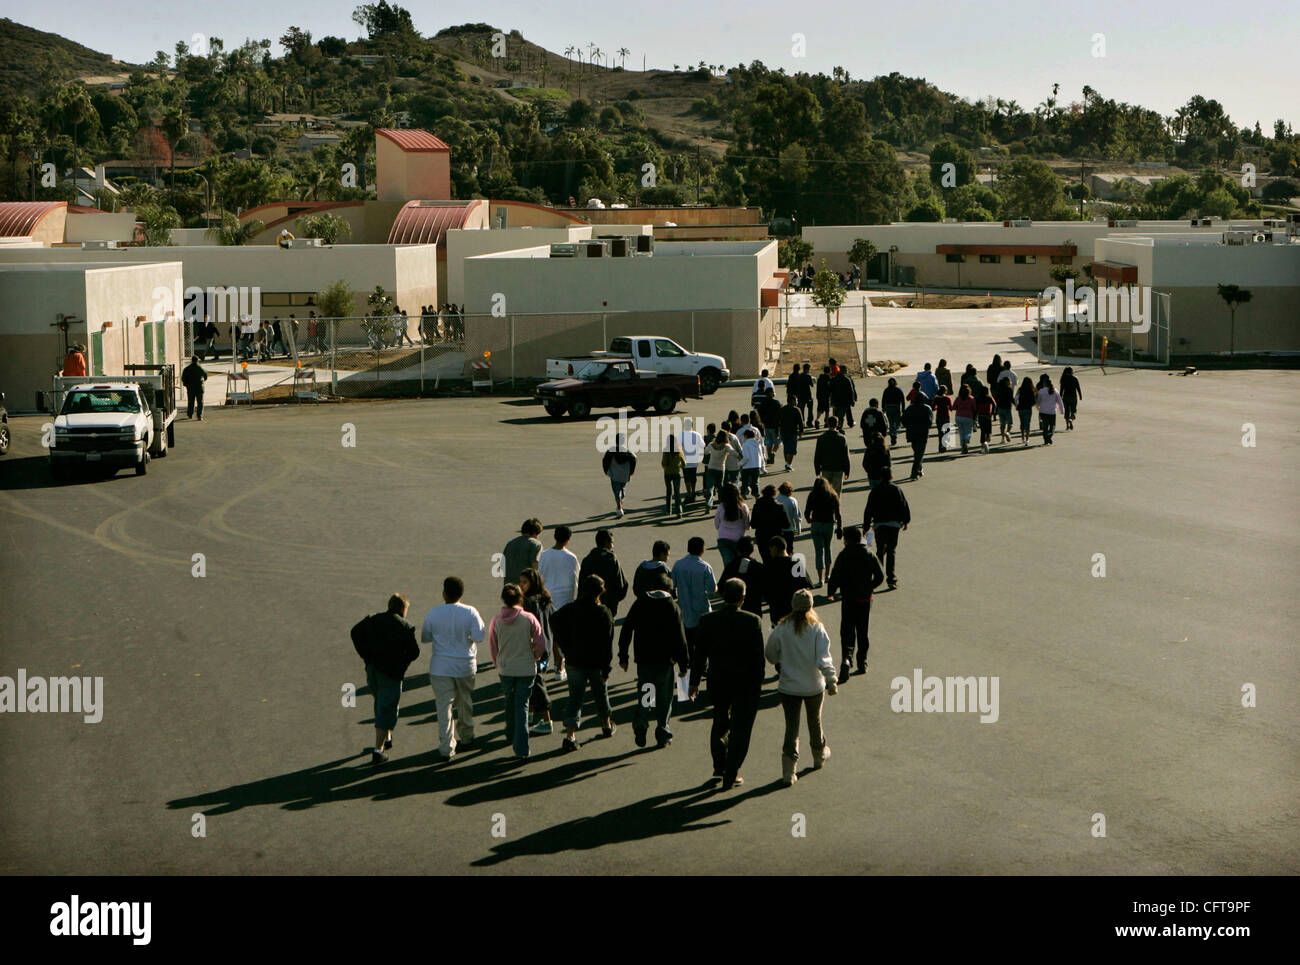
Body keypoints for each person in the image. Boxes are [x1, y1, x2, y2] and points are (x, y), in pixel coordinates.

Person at [691, 578, 765, 789]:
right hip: (745, 683)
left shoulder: (708, 620)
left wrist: (694, 682)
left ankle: (719, 765)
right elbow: (758, 658)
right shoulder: (752, 621)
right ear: (743, 598)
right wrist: (758, 683)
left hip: (718, 680)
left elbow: (699, 655)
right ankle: (732, 772)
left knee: (720, 721)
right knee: (741, 728)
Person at [765, 589, 836, 786]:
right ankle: (819, 756)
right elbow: (824, 658)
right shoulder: (817, 628)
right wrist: (831, 679)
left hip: (789, 687)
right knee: (815, 721)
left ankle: (789, 771)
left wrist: (780, 661)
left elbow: (770, 654)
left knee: (792, 727)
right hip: (813, 686)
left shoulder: (781, 628)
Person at [420, 577, 486, 761]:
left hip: (440, 666)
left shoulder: (434, 613)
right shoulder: (471, 612)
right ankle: (466, 734)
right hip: (465, 664)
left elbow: (425, 637)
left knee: (443, 706)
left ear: (444, 593)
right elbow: (479, 636)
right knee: (465, 701)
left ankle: (446, 746)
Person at [351, 593, 420, 765]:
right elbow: (414, 652)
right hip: (391, 673)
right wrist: (402, 664)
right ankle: (378, 749)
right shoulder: (405, 627)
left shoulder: (373, 620)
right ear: (403, 609)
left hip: (373, 670)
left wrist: (365, 656)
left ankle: (387, 736)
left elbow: (355, 632)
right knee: (388, 707)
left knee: (379, 701)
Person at [618, 584, 690, 748]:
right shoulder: (671, 606)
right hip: (665, 661)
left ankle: (641, 724)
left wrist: (624, 655)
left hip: (644, 660)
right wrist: (684, 664)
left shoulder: (640, 603)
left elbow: (627, 629)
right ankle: (663, 731)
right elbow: (680, 639)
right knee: (664, 699)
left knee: (646, 693)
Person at [554, 575, 616, 751]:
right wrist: (607, 668)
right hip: (596, 663)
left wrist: (564, 645)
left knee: (575, 698)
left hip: (574, 662)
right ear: (599, 593)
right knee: (601, 695)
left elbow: (555, 621)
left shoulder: (571, 609)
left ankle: (570, 735)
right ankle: (606, 725)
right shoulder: (604, 612)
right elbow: (607, 644)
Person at [488, 584, 546, 759]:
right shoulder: (529, 618)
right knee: (522, 706)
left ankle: (510, 732)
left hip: (506, 668)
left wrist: (496, 661)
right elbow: (540, 642)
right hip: (526, 667)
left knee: (509, 701)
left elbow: (493, 645)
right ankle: (521, 747)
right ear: (520, 598)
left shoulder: (496, 620)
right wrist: (535, 656)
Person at [826, 526, 885, 682]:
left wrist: (831, 591)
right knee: (862, 631)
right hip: (865, 599)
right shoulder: (869, 554)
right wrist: (870, 587)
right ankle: (862, 662)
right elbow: (880, 576)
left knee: (847, 630)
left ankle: (847, 658)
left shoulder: (844, 555)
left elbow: (835, 576)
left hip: (848, 598)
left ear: (848, 539)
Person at [538, 525, 579, 680]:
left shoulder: (545, 555)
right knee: (561, 637)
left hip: (547, 601)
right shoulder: (571, 557)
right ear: (568, 540)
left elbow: (540, 576)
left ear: (555, 537)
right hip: (565, 602)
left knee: (547, 634)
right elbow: (575, 580)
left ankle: (544, 665)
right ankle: (559, 667)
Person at [518, 568, 556, 735]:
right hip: (546, 647)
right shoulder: (546, 600)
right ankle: (530, 715)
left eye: (524, 582)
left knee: (537, 682)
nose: (521, 585)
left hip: (533, 649)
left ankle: (547, 720)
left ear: (532, 583)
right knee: (533, 682)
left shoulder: (528, 603)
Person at [671, 535, 716, 671]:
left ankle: (691, 662)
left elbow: (673, 584)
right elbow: (712, 589)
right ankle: (703, 665)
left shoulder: (678, 564)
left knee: (689, 639)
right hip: (702, 608)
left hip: (685, 607)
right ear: (702, 550)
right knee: (704, 640)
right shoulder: (705, 567)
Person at [863, 466, 910, 590]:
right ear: (891, 477)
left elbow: (869, 509)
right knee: (891, 550)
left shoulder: (875, 491)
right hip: (894, 525)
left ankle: (877, 577)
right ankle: (891, 579)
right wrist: (905, 521)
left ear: (880, 478)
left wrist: (866, 526)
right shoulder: (896, 489)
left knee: (880, 550)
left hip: (879, 525)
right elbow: (903, 505)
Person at [803, 476, 842, 587]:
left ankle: (820, 579)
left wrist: (809, 520)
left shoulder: (812, 495)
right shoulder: (832, 495)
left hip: (816, 524)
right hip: (829, 524)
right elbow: (838, 514)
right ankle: (828, 575)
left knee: (819, 552)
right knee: (828, 548)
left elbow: (807, 511)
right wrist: (840, 527)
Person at [579, 528, 629, 616]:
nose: (612, 546)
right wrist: (614, 600)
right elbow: (621, 584)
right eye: (611, 542)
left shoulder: (587, 560)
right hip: (608, 608)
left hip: (589, 608)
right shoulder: (612, 559)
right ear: (606, 542)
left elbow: (581, 585)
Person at [766, 537, 812, 627]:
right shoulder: (796, 563)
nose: (770, 553)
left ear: (774, 548)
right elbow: (805, 586)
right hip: (796, 611)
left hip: (777, 612)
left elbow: (766, 590)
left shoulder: (770, 566)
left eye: (770, 550)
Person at [719, 536, 766, 616]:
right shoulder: (758, 567)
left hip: (734, 610)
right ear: (752, 550)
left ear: (738, 549)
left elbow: (721, 586)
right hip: (754, 608)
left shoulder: (731, 566)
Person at [714, 483, 750, 567]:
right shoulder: (743, 507)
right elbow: (747, 526)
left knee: (728, 566)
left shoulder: (721, 507)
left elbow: (716, 525)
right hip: (739, 540)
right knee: (739, 566)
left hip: (723, 539)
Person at [751, 484, 788, 566]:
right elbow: (786, 525)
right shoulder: (779, 506)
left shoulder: (757, 505)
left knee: (766, 560)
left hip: (761, 537)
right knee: (777, 562)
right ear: (774, 494)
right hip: (775, 536)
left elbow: (753, 524)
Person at [813, 416, 850, 495]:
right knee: (836, 492)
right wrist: (847, 470)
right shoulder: (842, 438)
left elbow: (817, 455)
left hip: (826, 467)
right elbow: (846, 456)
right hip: (838, 469)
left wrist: (817, 469)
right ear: (837, 424)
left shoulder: (821, 438)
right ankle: (836, 506)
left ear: (827, 424)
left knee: (826, 492)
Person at [602, 433, 637, 517]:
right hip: (624, 475)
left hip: (614, 474)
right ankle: (620, 504)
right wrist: (631, 471)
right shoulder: (628, 451)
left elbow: (605, 461)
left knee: (616, 492)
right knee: (623, 490)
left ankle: (619, 507)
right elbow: (634, 459)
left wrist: (606, 471)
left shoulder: (611, 451)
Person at [702, 425, 737, 509]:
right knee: (720, 487)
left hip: (711, 468)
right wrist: (740, 457)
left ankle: (709, 503)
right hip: (720, 469)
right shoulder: (726, 446)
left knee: (710, 487)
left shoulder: (711, 444)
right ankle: (721, 503)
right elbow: (734, 453)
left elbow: (706, 452)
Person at [901, 392, 933, 480]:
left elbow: (903, 420)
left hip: (912, 434)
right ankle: (914, 472)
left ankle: (919, 469)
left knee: (917, 453)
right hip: (922, 434)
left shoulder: (910, 408)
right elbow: (929, 422)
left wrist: (909, 426)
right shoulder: (927, 408)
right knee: (919, 454)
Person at [502, 519, 543, 585]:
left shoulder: (510, 544)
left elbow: (502, 567)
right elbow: (536, 566)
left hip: (510, 587)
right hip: (526, 587)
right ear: (535, 533)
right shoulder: (536, 544)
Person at [777, 393, 803, 472]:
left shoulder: (782, 409)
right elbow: (800, 422)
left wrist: (777, 431)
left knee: (786, 448)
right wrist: (801, 431)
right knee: (791, 449)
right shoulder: (796, 410)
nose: (797, 402)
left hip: (783, 431)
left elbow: (778, 420)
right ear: (792, 401)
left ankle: (787, 463)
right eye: (796, 400)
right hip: (793, 432)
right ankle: (789, 464)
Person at [681, 419, 705, 503]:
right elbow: (703, 445)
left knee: (687, 478)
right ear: (692, 425)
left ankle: (689, 494)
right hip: (694, 460)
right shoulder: (697, 435)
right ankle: (693, 492)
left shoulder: (681, 435)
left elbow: (677, 447)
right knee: (693, 477)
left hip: (685, 460)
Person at [756, 387, 783, 464]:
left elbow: (759, 413)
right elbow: (780, 414)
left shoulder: (763, 403)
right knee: (777, 442)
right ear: (771, 393)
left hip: (766, 425)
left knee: (768, 442)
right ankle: (773, 452)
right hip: (775, 426)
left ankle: (769, 456)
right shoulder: (776, 403)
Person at [1037, 374, 1065, 445]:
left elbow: (1038, 401)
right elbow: (1059, 401)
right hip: (1052, 412)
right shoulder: (1055, 391)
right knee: (1052, 426)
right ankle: (1049, 435)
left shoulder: (1041, 391)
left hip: (1043, 411)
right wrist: (1062, 410)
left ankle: (1046, 440)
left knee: (1045, 426)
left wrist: (1038, 407)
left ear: (1044, 384)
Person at [662, 434, 686, 516]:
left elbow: (663, 463)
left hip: (668, 473)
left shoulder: (666, 450)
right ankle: (679, 511)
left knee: (668, 492)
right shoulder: (679, 450)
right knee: (677, 492)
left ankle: (668, 510)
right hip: (677, 473)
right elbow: (684, 463)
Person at [739, 424, 764, 498]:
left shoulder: (745, 444)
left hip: (747, 466)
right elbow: (761, 455)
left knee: (745, 483)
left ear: (746, 436)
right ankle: (757, 496)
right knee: (755, 483)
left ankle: (743, 496)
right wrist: (762, 466)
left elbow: (746, 457)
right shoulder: (758, 444)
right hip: (756, 466)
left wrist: (740, 463)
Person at [776, 480, 801, 549]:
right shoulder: (792, 500)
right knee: (789, 548)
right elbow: (797, 516)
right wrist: (798, 529)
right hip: (790, 529)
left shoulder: (776, 499)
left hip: (778, 529)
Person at [181, 354, 207, 421]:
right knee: (200, 402)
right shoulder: (200, 368)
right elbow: (205, 376)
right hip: (199, 388)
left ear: (191, 361)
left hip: (190, 388)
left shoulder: (186, 369)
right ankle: (199, 416)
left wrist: (186, 385)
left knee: (190, 402)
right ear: (197, 361)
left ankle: (190, 415)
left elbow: (183, 378)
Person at [953, 384, 977, 454]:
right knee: (968, 431)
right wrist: (974, 419)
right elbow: (974, 409)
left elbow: (954, 407)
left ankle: (963, 446)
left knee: (961, 432)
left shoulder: (958, 398)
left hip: (959, 417)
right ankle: (967, 440)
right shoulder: (971, 398)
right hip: (968, 417)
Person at [881, 378, 905, 445]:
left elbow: (883, 399)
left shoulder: (886, 390)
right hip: (896, 407)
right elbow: (902, 400)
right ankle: (894, 433)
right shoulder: (898, 390)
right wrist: (903, 409)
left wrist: (883, 407)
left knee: (891, 422)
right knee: (897, 423)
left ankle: (892, 433)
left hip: (888, 407)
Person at [994, 373, 1016, 443]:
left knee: (1002, 424)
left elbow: (996, 398)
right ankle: (1008, 432)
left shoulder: (999, 389)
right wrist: (1016, 405)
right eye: (1009, 381)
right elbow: (1011, 399)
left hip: (1000, 408)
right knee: (1010, 423)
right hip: (1007, 408)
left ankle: (1003, 438)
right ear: (1007, 382)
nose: (1010, 382)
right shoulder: (1009, 389)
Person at [932, 385, 954, 452]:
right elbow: (951, 408)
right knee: (946, 432)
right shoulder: (947, 398)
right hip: (946, 416)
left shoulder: (936, 398)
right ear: (945, 391)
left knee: (940, 432)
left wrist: (937, 407)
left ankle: (940, 446)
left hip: (939, 416)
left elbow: (933, 408)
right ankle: (944, 446)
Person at [974, 384, 996, 454]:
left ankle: (982, 445)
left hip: (981, 415)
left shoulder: (978, 398)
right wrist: (993, 412)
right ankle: (986, 442)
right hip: (988, 415)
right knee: (989, 430)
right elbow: (994, 404)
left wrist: (975, 418)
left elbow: (975, 409)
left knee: (982, 431)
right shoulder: (989, 397)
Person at [1016, 376, 1036, 444]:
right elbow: (1034, 401)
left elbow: (1016, 398)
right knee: (1027, 423)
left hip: (1021, 408)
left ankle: (1022, 438)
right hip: (1028, 408)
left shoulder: (1020, 389)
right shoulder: (1031, 390)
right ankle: (1027, 439)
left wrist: (1017, 405)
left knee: (1022, 423)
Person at [797, 363, 815, 427]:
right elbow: (812, 385)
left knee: (801, 410)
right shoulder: (808, 376)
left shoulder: (799, 376)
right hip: (808, 395)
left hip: (800, 395)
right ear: (807, 369)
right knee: (810, 410)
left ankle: (802, 422)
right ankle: (809, 422)